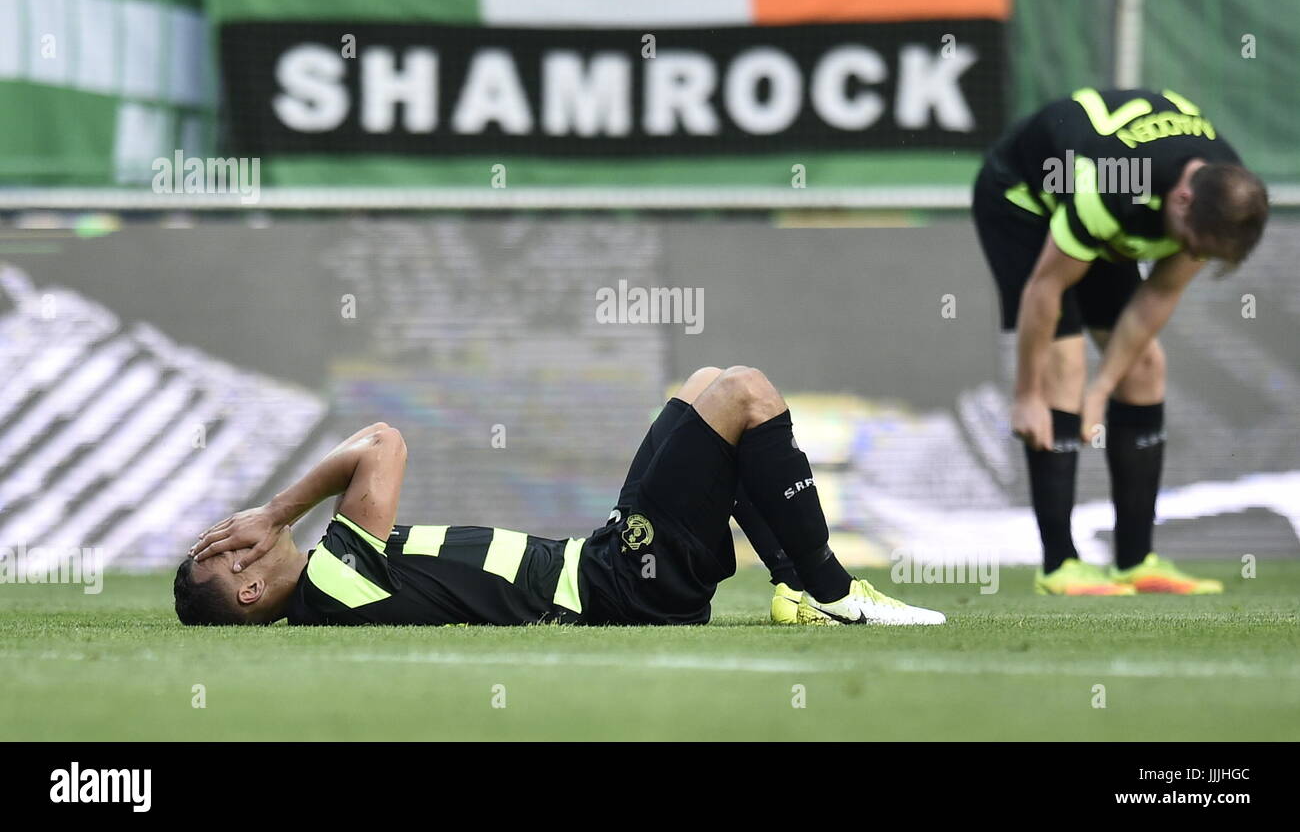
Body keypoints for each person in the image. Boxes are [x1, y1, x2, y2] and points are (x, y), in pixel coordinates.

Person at [176, 366, 945, 627]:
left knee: (704, 384)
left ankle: (790, 584)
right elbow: (383, 441)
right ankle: (836, 591)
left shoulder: (333, 573)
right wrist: (277, 510)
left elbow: (373, 447)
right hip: (621, 589)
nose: (239, 532)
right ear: (248, 590)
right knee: (745, 393)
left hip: (605, 563)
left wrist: (277, 520)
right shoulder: (332, 584)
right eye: (229, 550)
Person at [970, 87, 1268, 594]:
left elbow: (1158, 294)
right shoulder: (1111, 185)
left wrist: (1102, 393)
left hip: (1106, 209)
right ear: (1182, 201)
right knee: (1064, 366)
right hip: (1020, 198)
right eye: (1191, 243)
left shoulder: (1224, 194)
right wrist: (1026, 397)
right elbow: (1046, 288)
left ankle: (1135, 560)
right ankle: (1059, 565)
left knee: (1145, 367)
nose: (1189, 255)